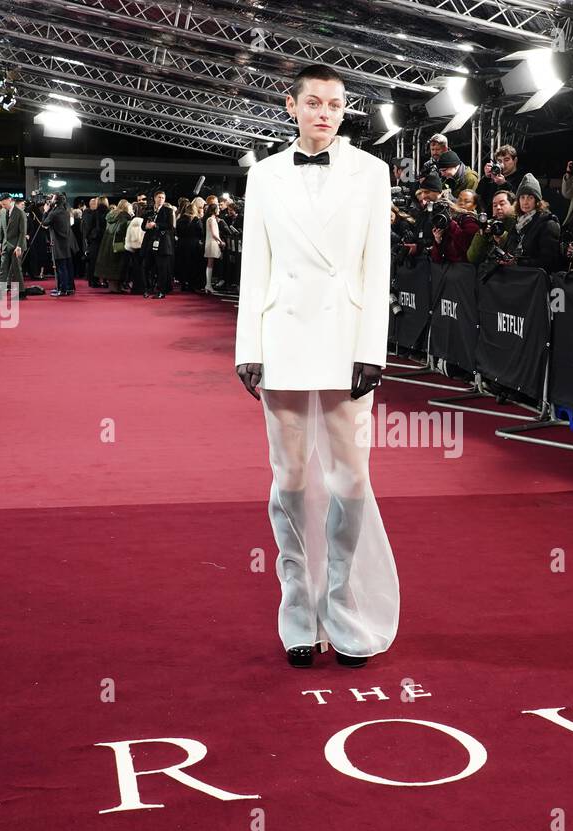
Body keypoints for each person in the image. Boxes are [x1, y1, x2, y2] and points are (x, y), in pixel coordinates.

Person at [234, 62, 398, 669]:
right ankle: (298, 614)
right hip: (282, 338)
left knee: (351, 479)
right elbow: (257, 264)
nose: (324, 113)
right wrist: (246, 346)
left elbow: (375, 267)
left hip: (345, 340)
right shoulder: (266, 176)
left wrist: (371, 349)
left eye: (334, 103)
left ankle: (346, 610)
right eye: (313, 102)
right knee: (289, 476)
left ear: (344, 108)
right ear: (291, 105)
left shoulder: (372, 173)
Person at [509, 174, 564, 273]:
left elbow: (548, 262)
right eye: (522, 197)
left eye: (530, 197)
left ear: (537, 201)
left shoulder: (548, 224)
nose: (525, 202)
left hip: (536, 280)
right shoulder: (517, 222)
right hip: (517, 275)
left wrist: (518, 262)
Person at [142, 189, 175, 298]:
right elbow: (143, 226)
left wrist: (156, 225)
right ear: (155, 198)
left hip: (162, 242)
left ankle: (161, 291)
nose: (161, 199)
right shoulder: (148, 211)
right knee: (146, 267)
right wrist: (146, 226)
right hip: (149, 242)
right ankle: (147, 289)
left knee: (162, 268)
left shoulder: (168, 210)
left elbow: (170, 226)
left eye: (163, 198)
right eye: (159, 197)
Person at [0, 194, 28, 300]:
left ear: (10, 200)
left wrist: (19, 246)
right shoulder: (3, 211)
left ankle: (21, 292)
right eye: (1, 204)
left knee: (17, 269)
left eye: (4, 204)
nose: (3, 206)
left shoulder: (20, 213)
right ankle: (0, 292)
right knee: (2, 269)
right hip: (4, 245)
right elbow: (1, 228)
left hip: (16, 246)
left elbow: (23, 232)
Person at [43, 193, 77, 296]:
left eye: (52, 199)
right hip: (66, 243)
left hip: (58, 243)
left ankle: (62, 289)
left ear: (56, 201)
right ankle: (69, 288)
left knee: (60, 267)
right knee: (67, 266)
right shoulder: (65, 212)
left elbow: (44, 223)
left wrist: (45, 211)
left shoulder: (54, 213)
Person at [476, 143, 524, 215]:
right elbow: (478, 195)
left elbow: (518, 200)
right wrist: (486, 177)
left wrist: (504, 184)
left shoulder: (522, 179)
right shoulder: (494, 177)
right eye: (499, 161)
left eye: (506, 160)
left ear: (515, 160)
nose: (503, 164)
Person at [96, 198, 131, 293]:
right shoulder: (124, 216)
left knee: (110, 265)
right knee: (117, 265)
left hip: (107, 242)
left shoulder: (111, 215)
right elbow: (120, 230)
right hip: (118, 243)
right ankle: (117, 288)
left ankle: (112, 287)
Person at [203, 202, 223, 295]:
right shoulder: (211, 219)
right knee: (210, 264)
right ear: (214, 210)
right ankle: (208, 285)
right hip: (212, 243)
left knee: (210, 264)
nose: (219, 210)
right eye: (218, 208)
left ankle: (208, 285)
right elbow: (214, 234)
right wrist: (221, 241)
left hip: (212, 242)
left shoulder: (212, 219)